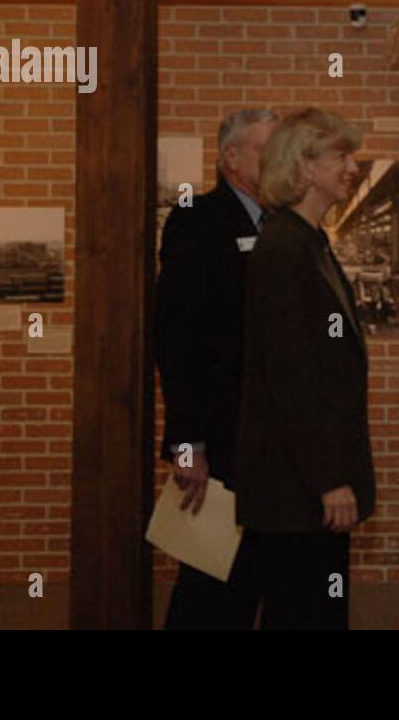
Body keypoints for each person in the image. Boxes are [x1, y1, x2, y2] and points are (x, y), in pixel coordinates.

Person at [237, 108, 376, 630]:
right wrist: (329, 480)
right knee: (303, 614)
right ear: (305, 166)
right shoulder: (283, 249)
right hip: (296, 488)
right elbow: (292, 378)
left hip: (300, 485)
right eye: (341, 155)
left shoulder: (307, 241)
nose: (353, 167)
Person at [155, 108, 276, 630]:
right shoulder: (196, 221)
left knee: (256, 580)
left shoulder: (286, 226)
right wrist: (188, 444)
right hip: (218, 440)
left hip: (270, 447)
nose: (280, 162)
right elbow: (177, 341)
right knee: (209, 584)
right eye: (267, 151)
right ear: (231, 157)